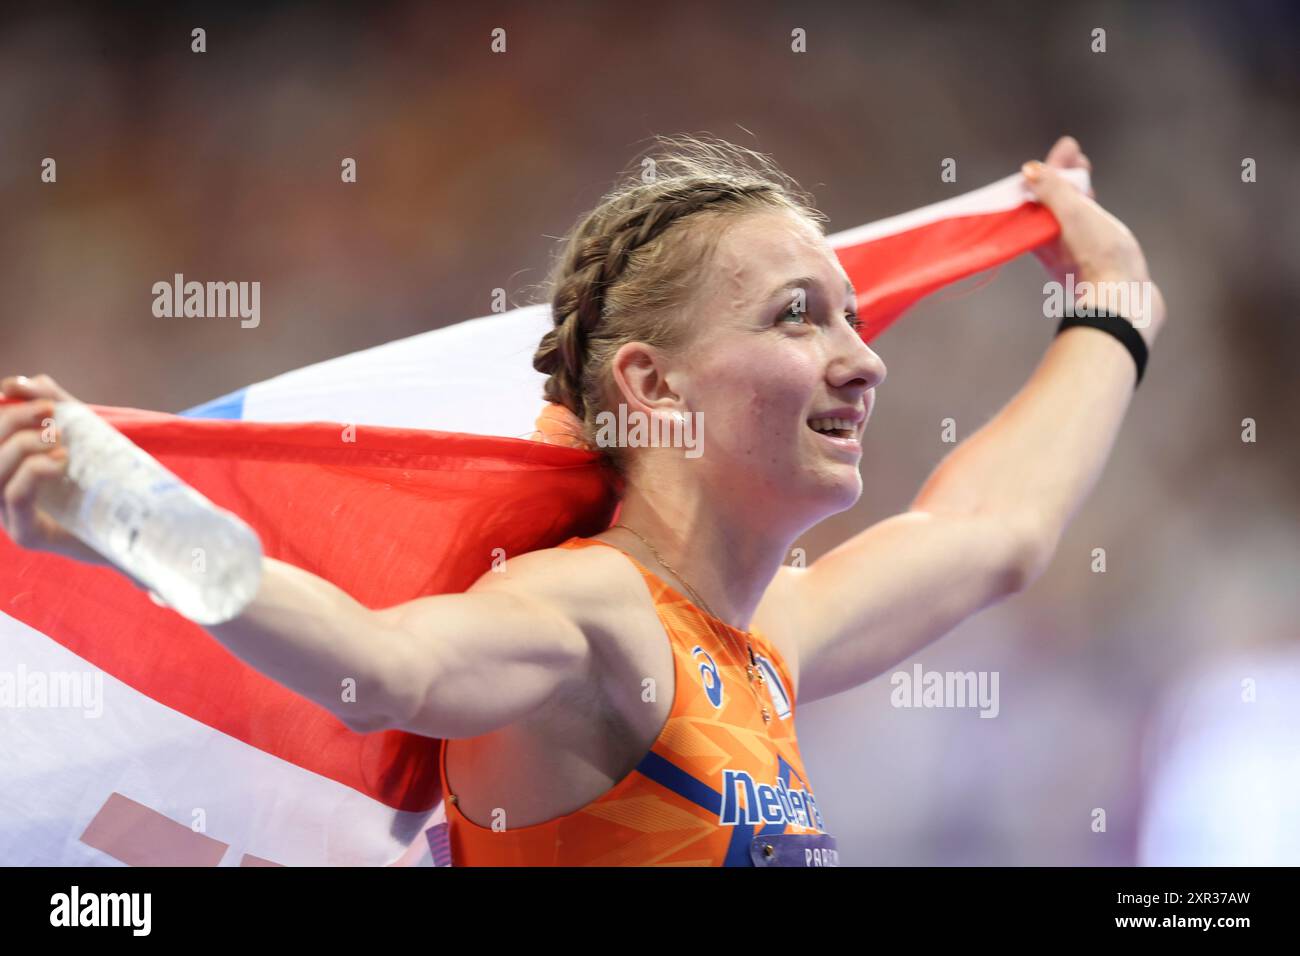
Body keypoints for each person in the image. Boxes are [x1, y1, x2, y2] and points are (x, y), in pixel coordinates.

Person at [0, 133, 1166, 866]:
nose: (865, 358)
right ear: (652, 385)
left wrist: (1110, 309)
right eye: (799, 315)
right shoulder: (590, 609)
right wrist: (137, 521)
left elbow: (990, 533)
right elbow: (382, 668)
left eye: (852, 315)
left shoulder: (764, 636)